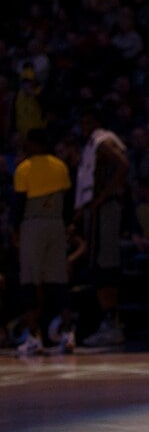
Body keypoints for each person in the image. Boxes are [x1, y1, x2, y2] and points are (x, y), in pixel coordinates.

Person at [11, 127, 73, 355]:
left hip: (33, 224)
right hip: (56, 224)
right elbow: (68, 201)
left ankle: (33, 337)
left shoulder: (24, 168)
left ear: (32, 144)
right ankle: (68, 334)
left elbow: (19, 204)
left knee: (29, 281)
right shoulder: (60, 166)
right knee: (58, 281)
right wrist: (66, 224)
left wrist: (15, 229)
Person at [74, 106, 130, 348]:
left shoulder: (102, 141)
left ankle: (112, 323)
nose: (84, 127)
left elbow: (123, 165)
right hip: (96, 210)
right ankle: (108, 321)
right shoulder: (91, 145)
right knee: (98, 266)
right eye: (82, 123)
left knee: (106, 265)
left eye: (89, 122)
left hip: (106, 209)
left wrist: (103, 196)